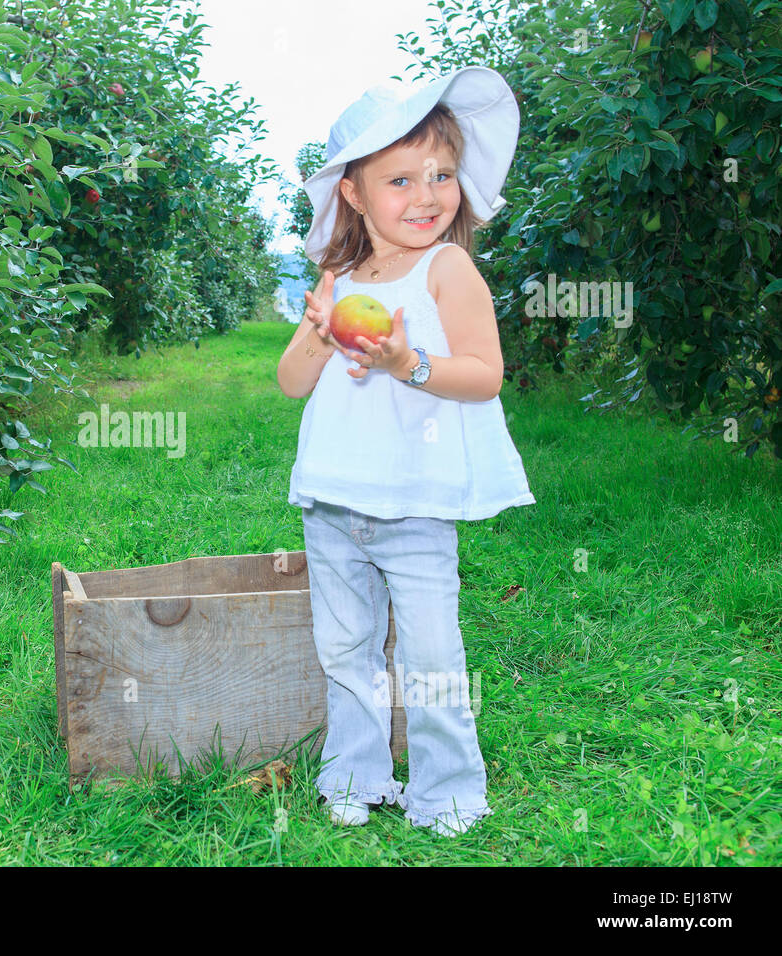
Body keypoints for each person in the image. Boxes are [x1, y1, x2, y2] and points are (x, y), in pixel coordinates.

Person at [276, 66, 536, 837]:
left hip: (415, 504)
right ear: (352, 192)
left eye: (442, 174)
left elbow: (484, 374)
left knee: (430, 655)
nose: (427, 196)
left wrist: (405, 363)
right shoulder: (340, 276)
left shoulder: (447, 269)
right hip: (332, 500)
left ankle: (447, 791)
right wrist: (322, 334)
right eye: (400, 179)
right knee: (347, 648)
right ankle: (357, 775)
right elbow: (291, 383)